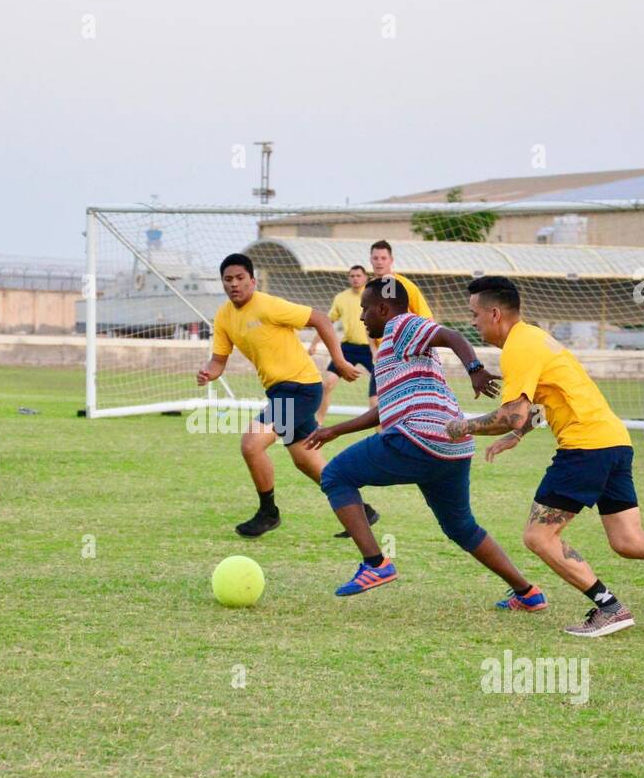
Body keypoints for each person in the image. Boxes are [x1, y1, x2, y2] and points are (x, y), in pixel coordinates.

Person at [448, 275, 644, 637]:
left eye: (474, 315)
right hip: (613, 441)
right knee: (629, 540)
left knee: (538, 537)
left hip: (585, 447)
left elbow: (512, 412)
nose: (472, 322)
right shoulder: (533, 338)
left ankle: (609, 608)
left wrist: (462, 427)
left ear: (495, 313)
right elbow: (550, 397)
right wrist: (518, 434)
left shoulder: (519, 346)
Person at [306, 277, 538, 600]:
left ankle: (375, 563)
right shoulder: (391, 349)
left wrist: (474, 368)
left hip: (417, 438)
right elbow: (384, 411)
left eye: (365, 309)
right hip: (453, 448)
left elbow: (450, 334)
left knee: (334, 475)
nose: (361, 318)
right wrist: (335, 430)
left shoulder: (400, 325)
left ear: (384, 308)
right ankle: (527, 592)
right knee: (461, 528)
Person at [196, 252, 381, 538]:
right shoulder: (223, 317)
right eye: (228, 279)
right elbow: (218, 361)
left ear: (253, 281)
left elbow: (321, 319)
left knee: (251, 445)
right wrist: (208, 372)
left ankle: (268, 513)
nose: (234, 284)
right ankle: (363, 510)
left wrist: (341, 361)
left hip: (302, 388)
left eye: (240, 278)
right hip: (280, 392)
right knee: (306, 461)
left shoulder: (268, 306)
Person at [310, 265, 375, 424]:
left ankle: (382, 429)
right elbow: (326, 323)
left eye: (358, 275)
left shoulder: (373, 295)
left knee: (379, 391)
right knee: (328, 383)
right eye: (352, 276)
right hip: (348, 347)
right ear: (348, 278)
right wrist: (314, 344)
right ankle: (318, 423)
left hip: (371, 349)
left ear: (365, 277)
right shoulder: (341, 298)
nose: (355, 278)